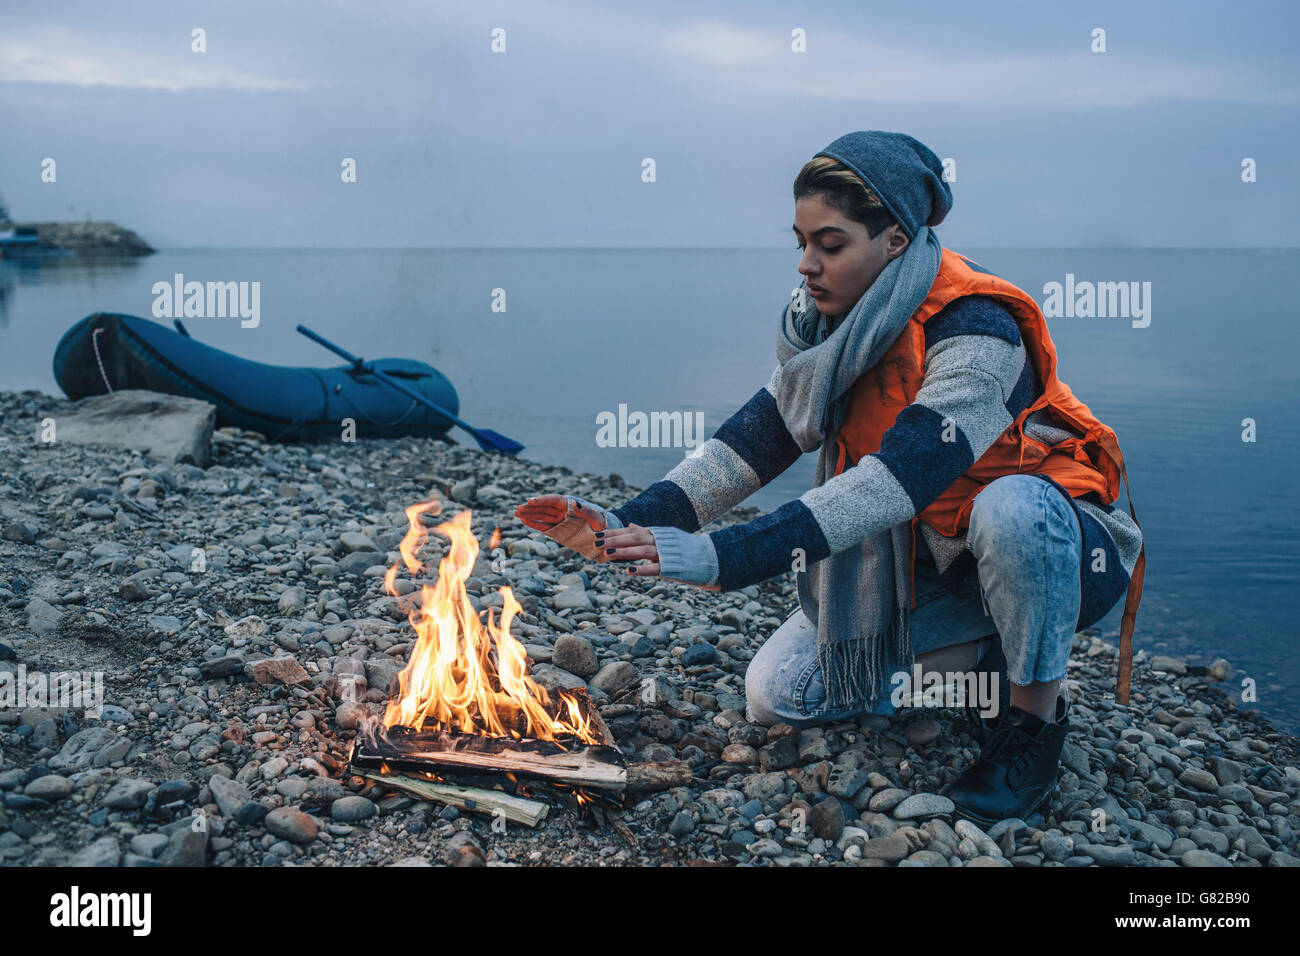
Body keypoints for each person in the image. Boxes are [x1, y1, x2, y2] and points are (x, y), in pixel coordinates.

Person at [515, 130, 1144, 826]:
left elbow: (893, 482)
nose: (808, 266)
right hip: (931, 560)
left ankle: (1034, 721)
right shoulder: (834, 332)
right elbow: (751, 443)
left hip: (1059, 551)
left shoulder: (977, 328)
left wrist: (724, 557)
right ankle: (990, 662)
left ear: (896, 240)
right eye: (802, 243)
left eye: (832, 244)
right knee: (778, 695)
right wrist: (635, 520)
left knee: (1012, 508)